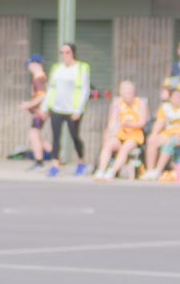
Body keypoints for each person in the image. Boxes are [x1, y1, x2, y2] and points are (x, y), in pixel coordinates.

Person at [41, 42, 91, 177]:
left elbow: (85, 90)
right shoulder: (57, 68)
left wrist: (78, 110)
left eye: (67, 52)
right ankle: (55, 165)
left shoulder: (81, 68)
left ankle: (81, 162)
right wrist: (44, 108)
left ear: (73, 53)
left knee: (75, 136)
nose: (64, 55)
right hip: (56, 108)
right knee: (56, 137)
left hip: (72, 110)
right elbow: (50, 88)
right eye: (62, 52)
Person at [142, 84, 180, 181]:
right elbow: (160, 122)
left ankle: (158, 170)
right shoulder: (165, 107)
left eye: (179, 97)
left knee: (169, 142)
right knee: (152, 141)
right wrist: (154, 134)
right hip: (167, 133)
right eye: (175, 97)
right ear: (170, 98)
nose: (177, 99)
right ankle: (150, 170)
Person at [94, 80, 148, 180]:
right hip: (121, 134)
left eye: (130, 92)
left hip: (135, 135)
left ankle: (112, 171)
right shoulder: (117, 104)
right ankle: (101, 170)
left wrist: (130, 124)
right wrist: (109, 133)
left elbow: (142, 122)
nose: (128, 94)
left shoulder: (140, 103)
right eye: (125, 92)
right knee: (109, 144)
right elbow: (112, 120)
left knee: (125, 148)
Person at [19, 53, 51, 171]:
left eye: (30, 64)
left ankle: (39, 161)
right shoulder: (39, 77)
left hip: (40, 112)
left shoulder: (39, 77)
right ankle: (53, 154)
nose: (29, 67)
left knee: (33, 134)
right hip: (38, 111)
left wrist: (29, 104)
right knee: (35, 135)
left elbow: (43, 96)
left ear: (36, 64)